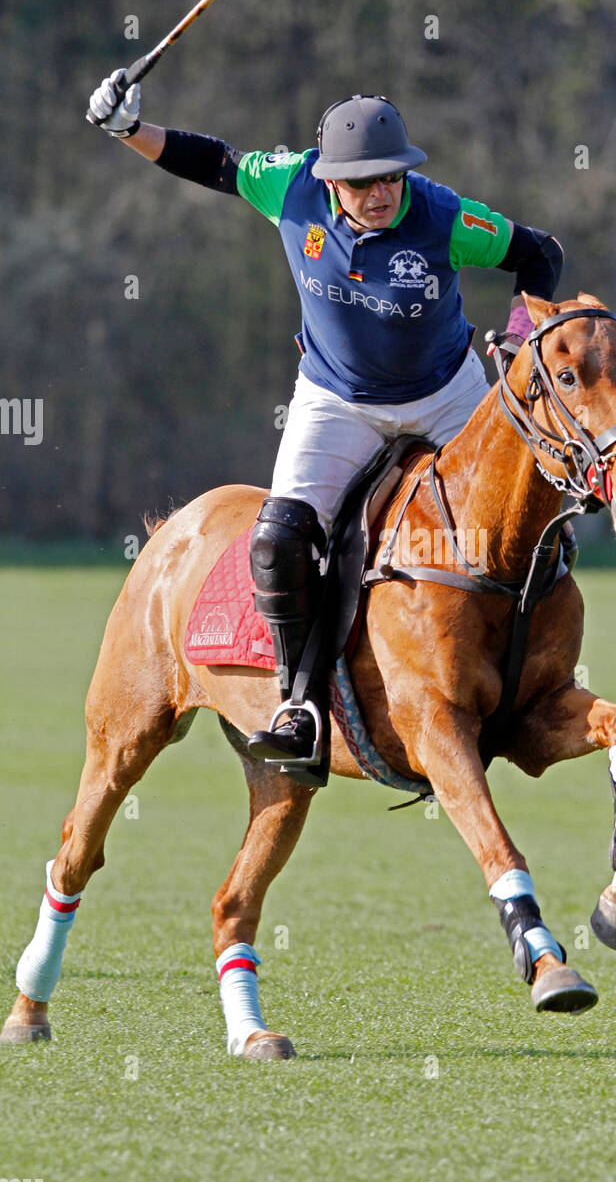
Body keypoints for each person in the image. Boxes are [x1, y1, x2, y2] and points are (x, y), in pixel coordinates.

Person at [88, 73, 564, 768]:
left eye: (392, 179)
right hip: (336, 399)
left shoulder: (443, 217)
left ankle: (533, 677)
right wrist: (131, 129)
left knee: (513, 515)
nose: (381, 195)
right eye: (364, 182)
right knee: (279, 541)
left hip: (445, 394)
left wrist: (520, 338)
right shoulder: (291, 186)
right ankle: (299, 705)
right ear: (330, 179)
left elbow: (538, 253)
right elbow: (215, 163)